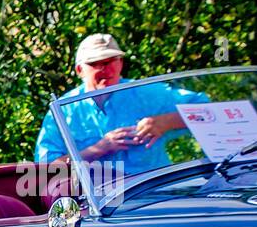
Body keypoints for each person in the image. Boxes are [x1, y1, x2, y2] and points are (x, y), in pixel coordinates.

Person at [34, 33, 207, 176]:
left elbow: (207, 112)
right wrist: (98, 149)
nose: (105, 69)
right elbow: (45, 169)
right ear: (80, 70)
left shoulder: (147, 93)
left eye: (111, 61)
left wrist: (165, 122)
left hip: (153, 196)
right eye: (95, 64)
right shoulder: (65, 111)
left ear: (121, 63)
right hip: (95, 204)